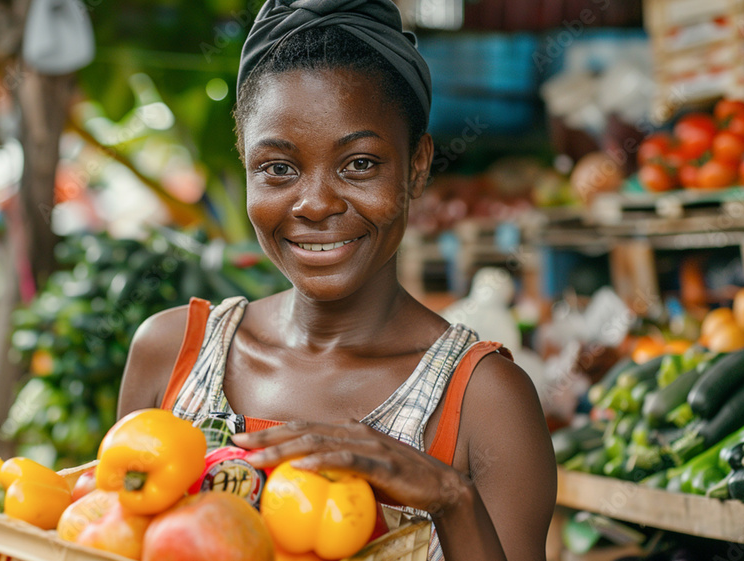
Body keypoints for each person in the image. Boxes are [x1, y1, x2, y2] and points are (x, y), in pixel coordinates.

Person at [118, 1, 556, 559]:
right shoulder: (172, 353)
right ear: (244, 163)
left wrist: (451, 499)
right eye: (278, 168)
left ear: (417, 166)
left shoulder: (485, 401)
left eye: (360, 164)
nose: (316, 204)